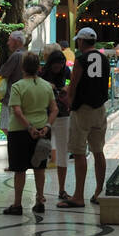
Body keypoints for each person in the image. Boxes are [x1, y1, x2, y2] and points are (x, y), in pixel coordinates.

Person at [5, 52, 56, 221]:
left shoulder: (17, 86)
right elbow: (54, 109)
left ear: (22, 67)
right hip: (42, 131)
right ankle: (40, 200)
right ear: (39, 68)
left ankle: (17, 204)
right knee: (40, 168)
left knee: (19, 169)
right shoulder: (46, 86)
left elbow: (17, 111)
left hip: (19, 132)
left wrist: (29, 127)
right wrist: (47, 126)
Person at [63, 27, 110, 207]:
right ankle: (99, 191)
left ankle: (78, 196)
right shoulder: (104, 59)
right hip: (100, 109)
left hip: (82, 109)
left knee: (79, 151)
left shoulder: (81, 59)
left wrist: (68, 100)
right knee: (98, 151)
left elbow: (74, 84)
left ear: (82, 41)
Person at [42, 49, 71, 199]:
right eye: (55, 66)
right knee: (41, 150)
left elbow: (74, 82)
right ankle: (40, 193)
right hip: (46, 115)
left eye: (60, 66)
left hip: (63, 114)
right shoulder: (43, 73)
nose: (58, 68)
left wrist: (66, 88)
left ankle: (62, 189)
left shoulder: (66, 70)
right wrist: (48, 85)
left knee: (62, 152)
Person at [0, 31, 26, 135]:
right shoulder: (27, 54)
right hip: (23, 97)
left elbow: (3, 73)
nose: (8, 43)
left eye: (10, 40)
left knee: (7, 128)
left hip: (11, 97)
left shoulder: (16, 56)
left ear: (17, 41)